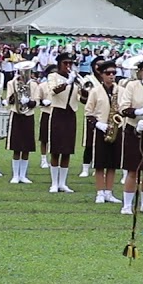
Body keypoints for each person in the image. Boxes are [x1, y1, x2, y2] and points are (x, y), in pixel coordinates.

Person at [118, 58, 143, 214]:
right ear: (139, 72)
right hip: (133, 129)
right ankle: (127, 204)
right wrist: (137, 112)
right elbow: (123, 108)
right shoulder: (132, 86)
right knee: (132, 169)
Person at [83, 59, 121, 205]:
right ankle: (99, 192)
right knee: (100, 163)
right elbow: (88, 111)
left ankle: (109, 192)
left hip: (115, 129)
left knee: (112, 163)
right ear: (102, 74)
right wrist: (98, 124)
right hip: (100, 129)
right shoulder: (95, 91)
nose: (111, 76)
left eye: (114, 73)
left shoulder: (119, 90)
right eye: (108, 73)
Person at [42, 53, 81, 193]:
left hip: (71, 113)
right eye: (65, 63)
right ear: (59, 64)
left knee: (67, 150)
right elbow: (53, 91)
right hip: (58, 112)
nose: (68, 66)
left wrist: (86, 89)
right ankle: (54, 183)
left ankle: (63, 183)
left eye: (70, 63)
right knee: (55, 149)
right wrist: (68, 82)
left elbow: (81, 98)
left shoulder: (74, 78)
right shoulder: (53, 76)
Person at [4, 61, 38, 184]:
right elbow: (9, 100)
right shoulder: (11, 83)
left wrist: (28, 101)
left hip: (28, 115)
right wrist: (16, 92)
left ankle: (23, 175)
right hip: (16, 114)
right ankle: (15, 175)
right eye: (23, 71)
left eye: (27, 71)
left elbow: (36, 102)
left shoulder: (33, 85)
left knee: (27, 146)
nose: (25, 74)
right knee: (16, 146)